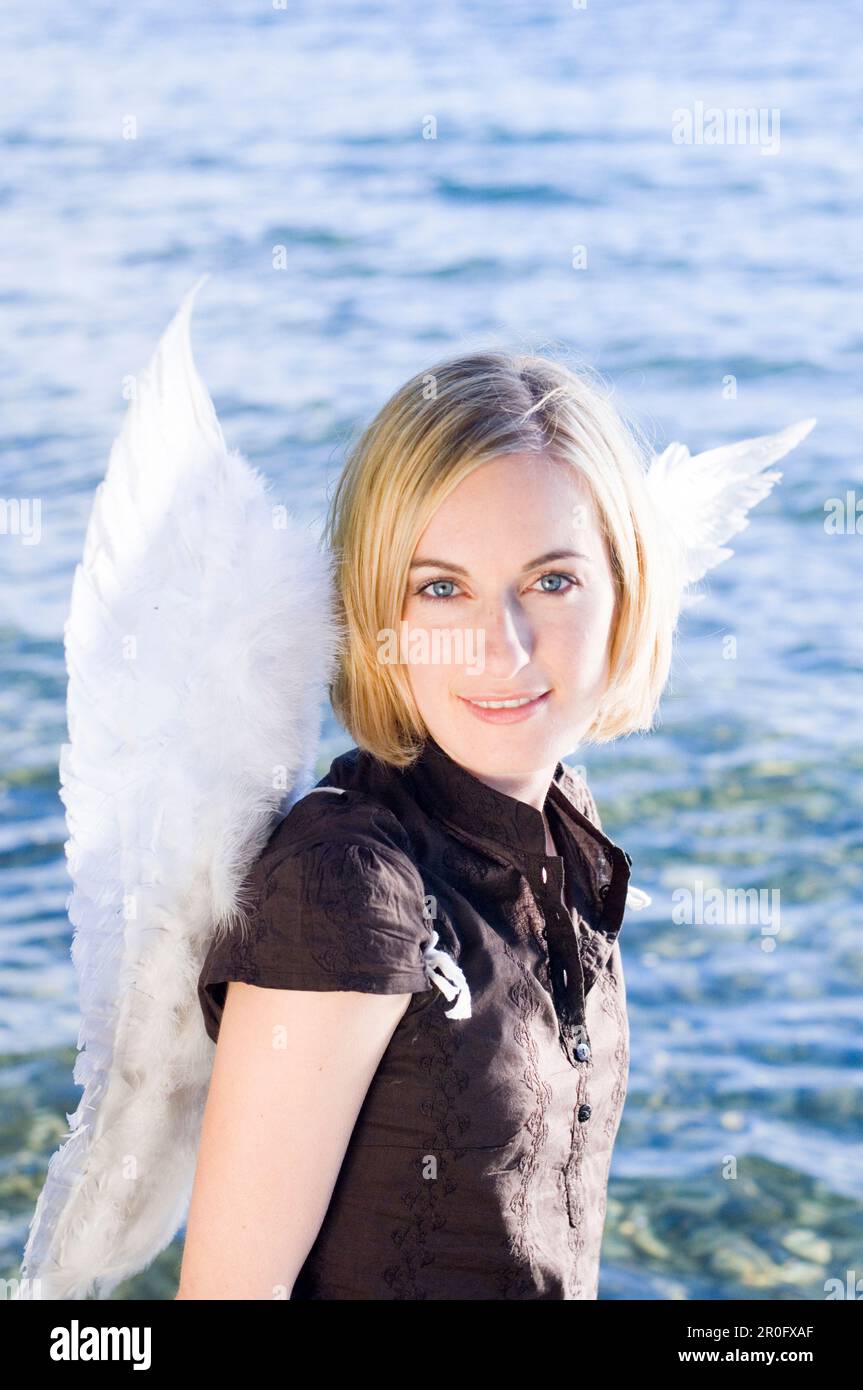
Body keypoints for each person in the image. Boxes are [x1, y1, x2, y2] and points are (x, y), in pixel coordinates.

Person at [176, 350, 675, 1301]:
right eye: (440, 587)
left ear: (625, 589)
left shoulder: (560, 819)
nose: (502, 647)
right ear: (378, 616)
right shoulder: (347, 884)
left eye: (552, 581)